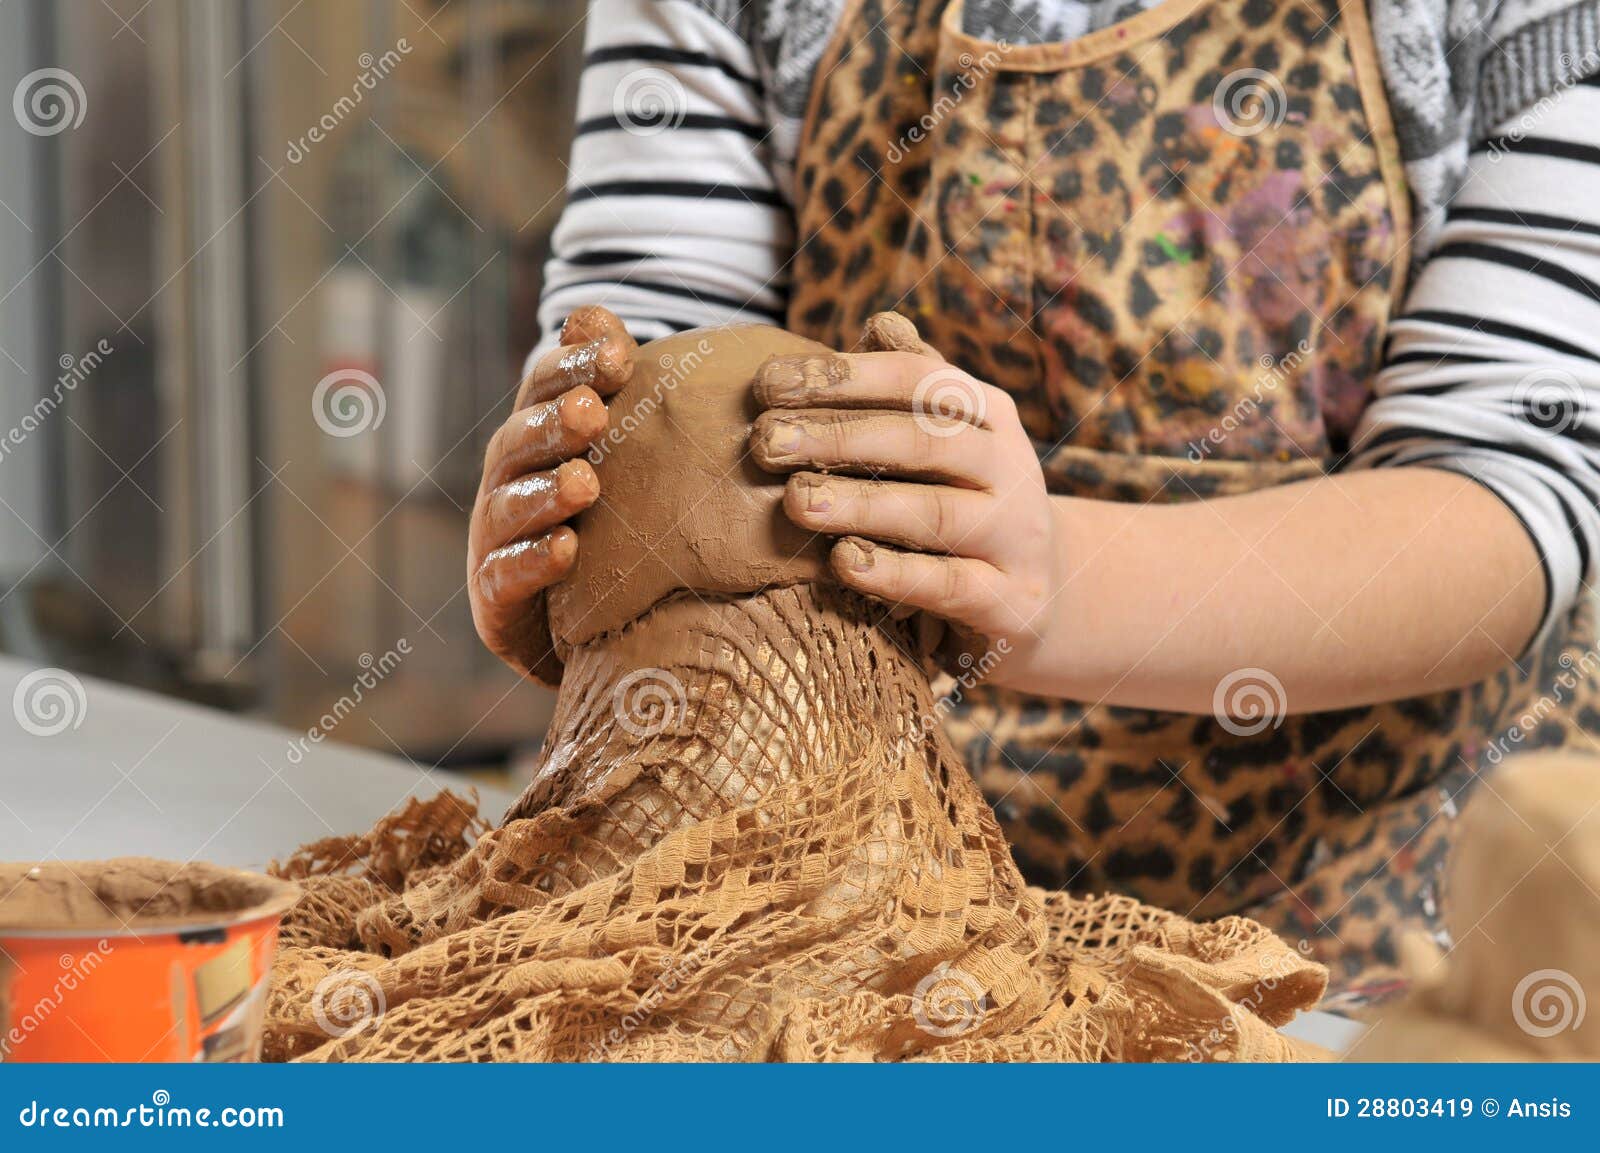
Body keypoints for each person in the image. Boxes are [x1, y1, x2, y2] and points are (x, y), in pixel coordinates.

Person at [468, 0, 1600, 1006]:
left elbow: (1510, 492)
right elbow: (663, 360)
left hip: (1362, 940)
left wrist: (1050, 579)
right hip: (836, 913)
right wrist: (585, 511)